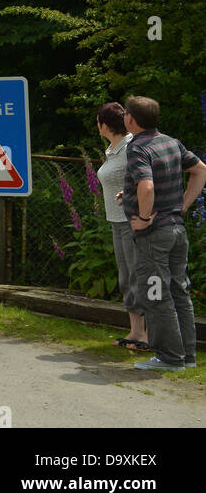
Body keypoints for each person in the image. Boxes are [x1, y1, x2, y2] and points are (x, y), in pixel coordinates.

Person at [121, 95, 206, 371]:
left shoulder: (137, 148)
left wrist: (144, 218)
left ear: (131, 119)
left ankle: (169, 358)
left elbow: (147, 187)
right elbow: (200, 170)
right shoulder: (171, 142)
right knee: (179, 291)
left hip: (153, 237)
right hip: (176, 232)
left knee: (156, 294)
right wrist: (181, 205)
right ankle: (187, 356)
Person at [94, 102, 144, 349]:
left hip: (132, 220)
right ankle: (134, 331)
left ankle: (147, 334)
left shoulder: (132, 146)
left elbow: (146, 175)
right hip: (116, 220)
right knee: (126, 278)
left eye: (98, 122)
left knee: (138, 275)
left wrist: (132, 192)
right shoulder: (112, 149)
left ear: (104, 125)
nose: (97, 126)